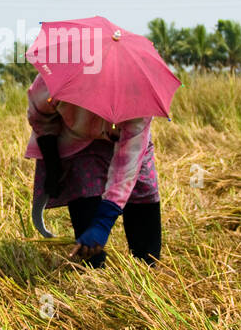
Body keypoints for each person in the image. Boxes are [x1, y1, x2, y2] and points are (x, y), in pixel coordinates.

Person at [26, 74, 162, 268]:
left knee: (142, 190)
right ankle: (93, 268)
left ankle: (147, 264)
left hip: (124, 139)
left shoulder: (138, 95)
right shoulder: (56, 80)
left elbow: (127, 167)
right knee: (84, 188)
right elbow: (39, 113)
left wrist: (103, 223)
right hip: (76, 139)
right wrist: (52, 161)